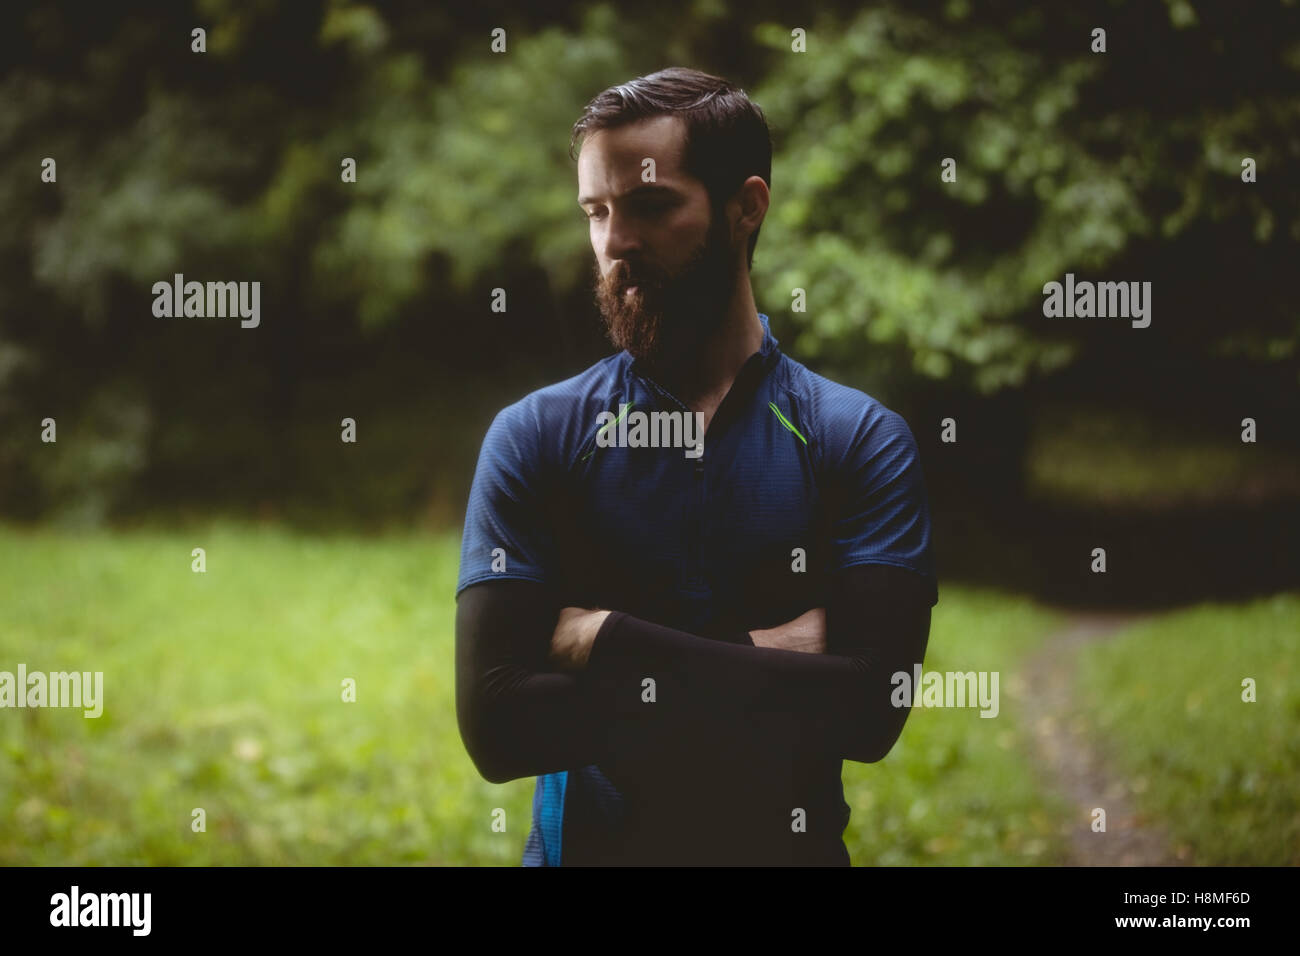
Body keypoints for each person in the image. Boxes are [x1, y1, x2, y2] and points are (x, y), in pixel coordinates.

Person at [455, 67, 938, 866]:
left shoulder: (857, 439)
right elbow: (500, 729)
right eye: (596, 212)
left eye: (649, 206)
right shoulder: (535, 436)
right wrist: (774, 651)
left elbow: (869, 717)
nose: (615, 243)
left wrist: (604, 638)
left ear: (746, 208)